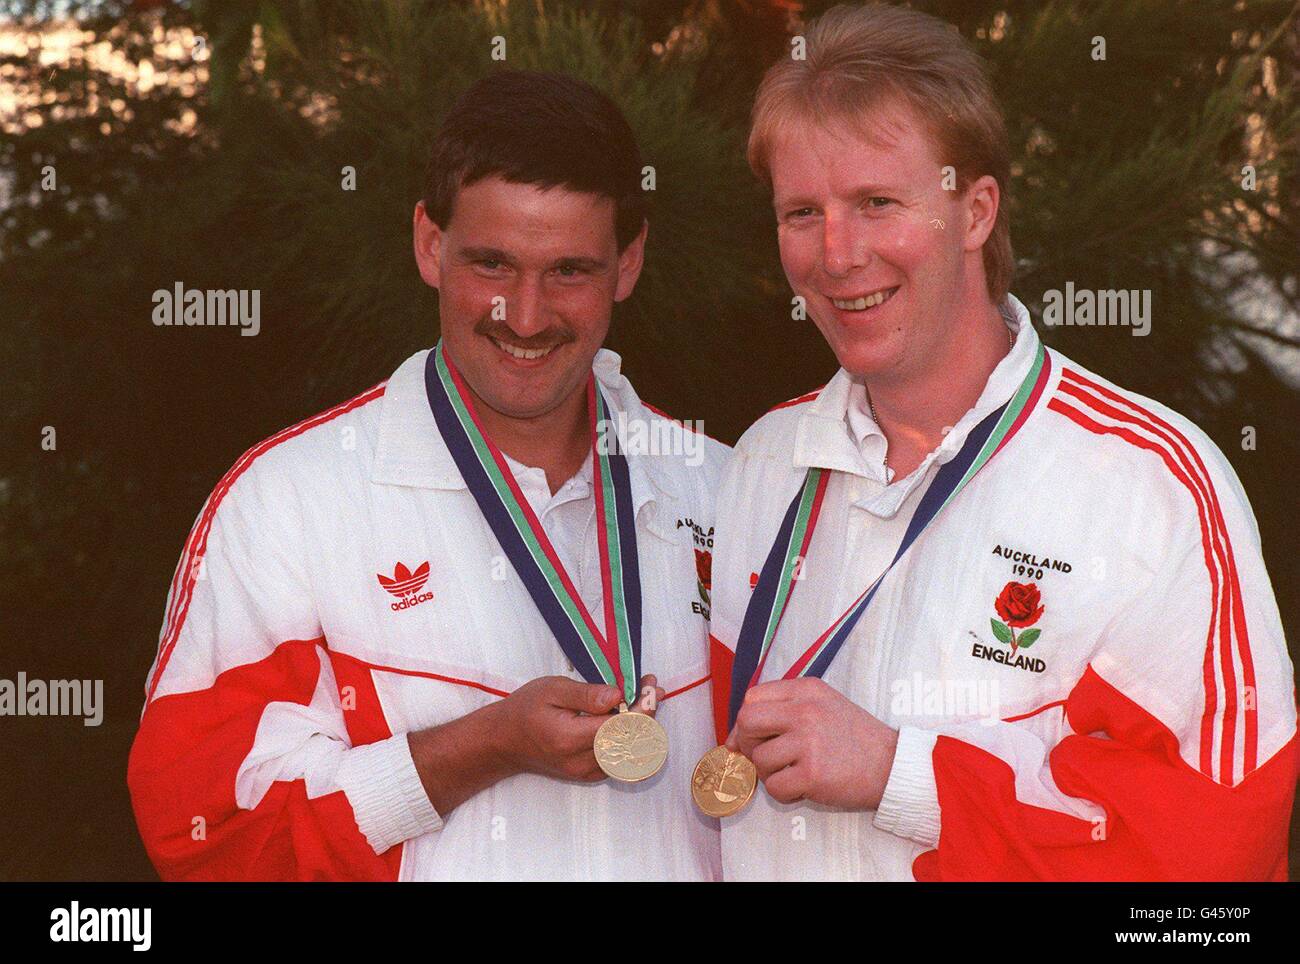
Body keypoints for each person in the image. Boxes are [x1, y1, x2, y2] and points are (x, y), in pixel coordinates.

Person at [708, 4, 1297, 880]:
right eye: (802, 212)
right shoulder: (761, 461)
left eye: (877, 202)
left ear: (976, 208)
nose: (836, 254)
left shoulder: (1151, 483)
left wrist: (901, 774)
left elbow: (1213, 874)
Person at [129, 70, 727, 880]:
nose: (526, 314)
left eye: (569, 271)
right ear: (428, 244)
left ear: (629, 262)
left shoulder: (725, 490)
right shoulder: (287, 500)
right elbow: (209, 833)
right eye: (492, 264)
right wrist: (477, 748)